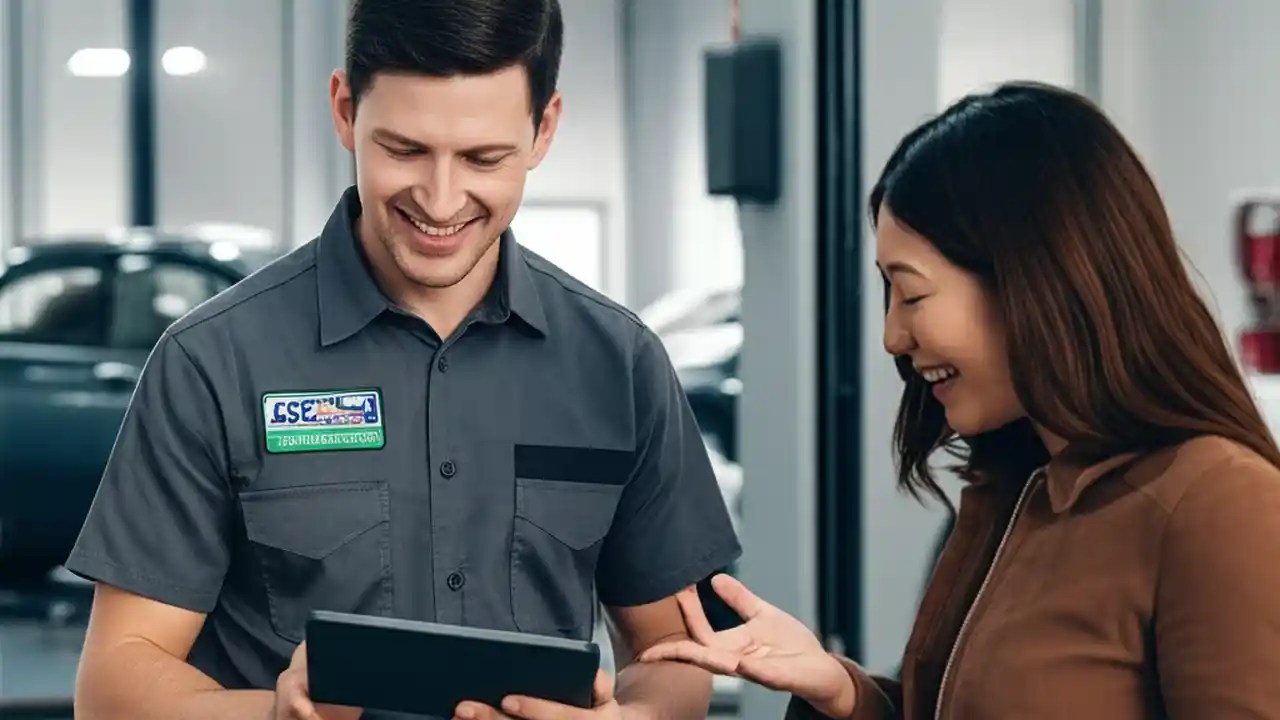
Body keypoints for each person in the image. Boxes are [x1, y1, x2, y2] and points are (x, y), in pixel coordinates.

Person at [68, 1, 740, 718]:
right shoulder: (212, 363)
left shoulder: (620, 365)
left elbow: (673, 656)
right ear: (345, 110)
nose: (441, 200)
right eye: (405, 150)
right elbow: (115, 685)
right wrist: (272, 714)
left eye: (483, 158)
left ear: (544, 129)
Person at [637, 82, 1280, 718]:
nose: (894, 336)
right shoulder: (1010, 494)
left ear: (1035, 281)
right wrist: (842, 690)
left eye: (912, 295)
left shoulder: (1219, 505)